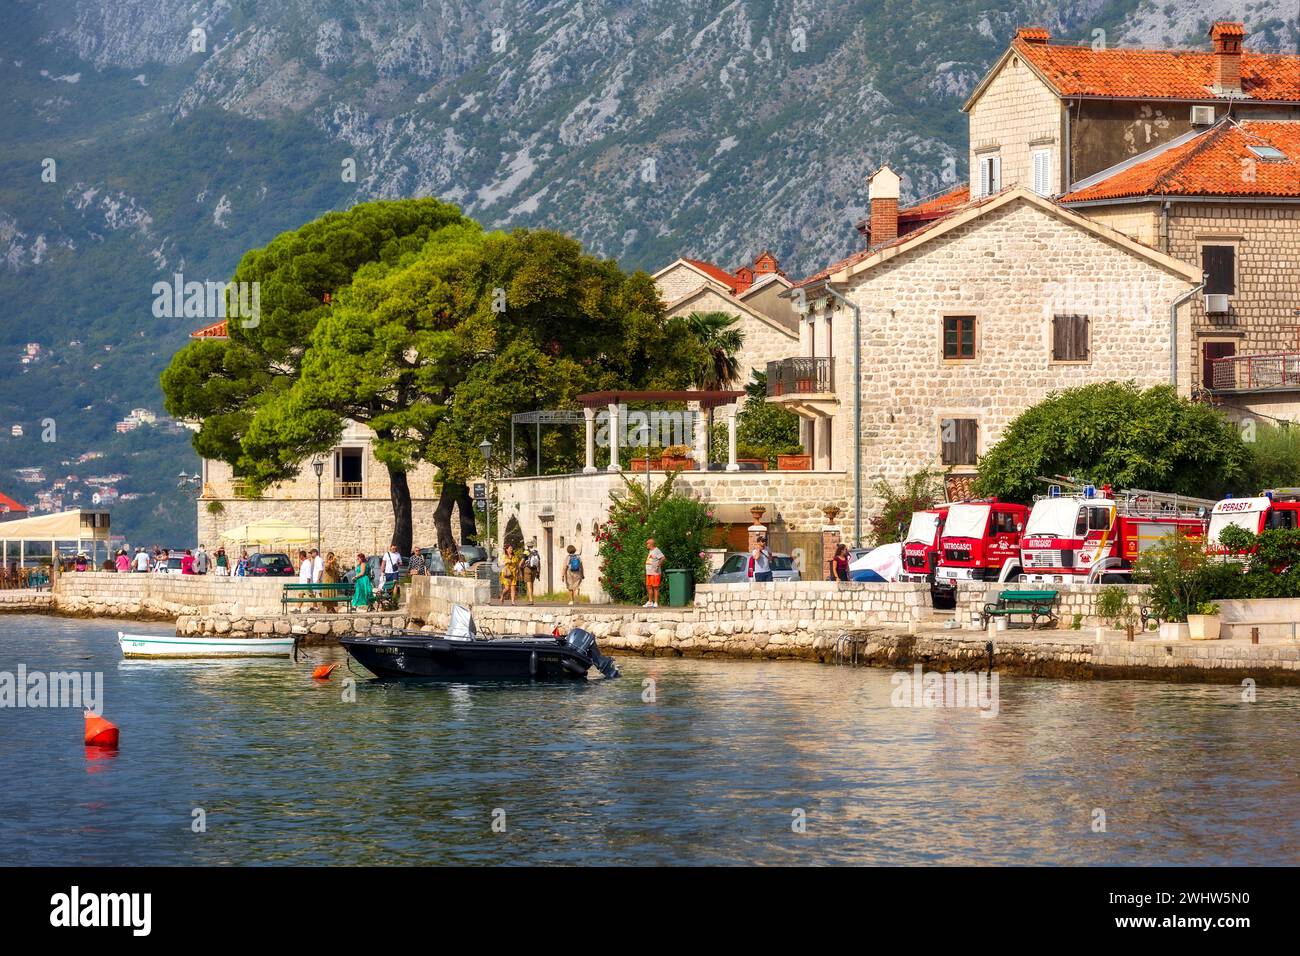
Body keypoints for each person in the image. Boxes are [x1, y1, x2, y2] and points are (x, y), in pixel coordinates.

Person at [644, 538, 665, 608]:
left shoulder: (656, 550)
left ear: (651, 544)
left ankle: (656, 602)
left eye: (647, 543)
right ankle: (650, 602)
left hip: (655, 573)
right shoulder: (650, 551)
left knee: (655, 587)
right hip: (649, 572)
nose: (646, 545)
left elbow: (662, 558)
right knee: (648, 586)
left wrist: (658, 565)